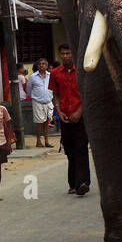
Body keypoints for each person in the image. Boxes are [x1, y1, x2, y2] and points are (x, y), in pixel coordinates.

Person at [49, 43, 90, 196]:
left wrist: (80, 112)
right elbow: (56, 94)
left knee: (81, 149)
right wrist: (59, 111)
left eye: (68, 53)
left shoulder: (81, 71)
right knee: (70, 151)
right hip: (65, 117)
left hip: (80, 117)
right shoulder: (55, 73)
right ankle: (73, 183)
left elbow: (87, 94)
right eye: (63, 54)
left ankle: (83, 182)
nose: (66, 56)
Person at [24, 59, 53, 148]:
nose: (41, 65)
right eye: (40, 64)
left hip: (48, 101)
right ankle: (38, 141)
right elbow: (28, 89)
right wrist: (34, 96)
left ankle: (47, 141)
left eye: (43, 64)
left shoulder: (50, 75)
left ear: (46, 66)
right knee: (39, 122)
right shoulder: (33, 77)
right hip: (37, 102)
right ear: (37, 66)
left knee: (47, 122)